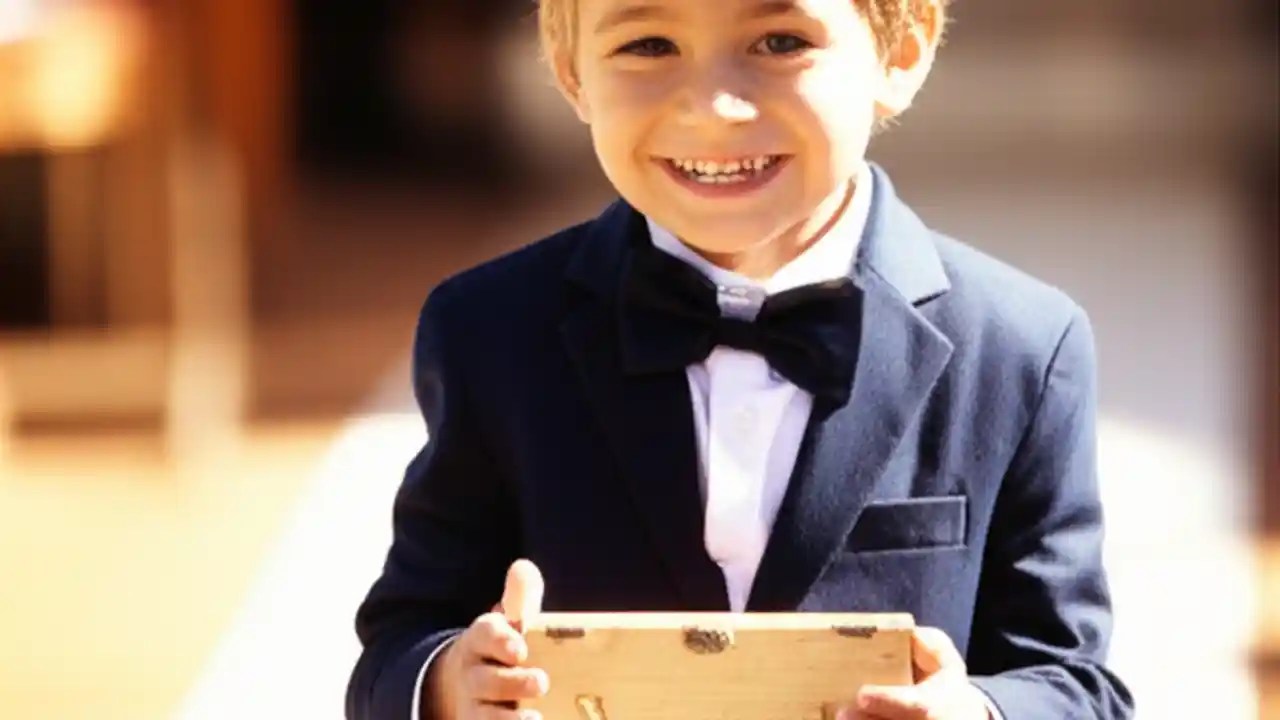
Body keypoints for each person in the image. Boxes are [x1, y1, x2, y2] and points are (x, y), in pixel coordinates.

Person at [345, 1, 1135, 718]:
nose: (714, 108)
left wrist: (979, 713)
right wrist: (449, 682)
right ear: (570, 71)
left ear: (900, 53)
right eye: (649, 43)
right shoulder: (489, 329)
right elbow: (398, 644)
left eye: (780, 41)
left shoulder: (1022, 347)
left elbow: (1075, 682)